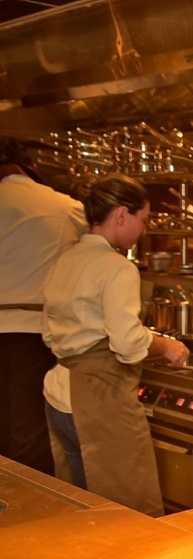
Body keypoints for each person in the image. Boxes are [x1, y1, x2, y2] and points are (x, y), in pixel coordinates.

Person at [42, 173, 189, 516]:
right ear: (122, 214)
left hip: (58, 395)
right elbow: (127, 343)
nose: (145, 230)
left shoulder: (65, 258)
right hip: (97, 401)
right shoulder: (117, 267)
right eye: (144, 220)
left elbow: (47, 332)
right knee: (126, 510)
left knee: (82, 508)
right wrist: (165, 345)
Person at [0, 139, 87, 475]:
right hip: (31, 334)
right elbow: (94, 256)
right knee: (30, 435)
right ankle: (38, 519)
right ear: (31, 169)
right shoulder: (64, 207)